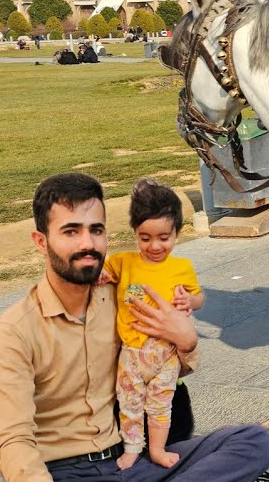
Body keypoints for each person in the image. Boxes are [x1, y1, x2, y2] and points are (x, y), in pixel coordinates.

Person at [0, 173, 269, 482]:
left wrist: (186, 341)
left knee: (252, 442)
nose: (87, 243)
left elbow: (159, 362)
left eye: (96, 230)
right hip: (65, 472)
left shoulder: (124, 298)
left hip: (128, 462)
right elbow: (11, 440)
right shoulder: (14, 332)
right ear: (41, 242)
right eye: (71, 231)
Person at [95, 180, 204, 469]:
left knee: (160, 406)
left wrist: (189, 303)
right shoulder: (123, 262)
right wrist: (102, 276)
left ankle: (156, 449)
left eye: (164, 238)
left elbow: (198, 296)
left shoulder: (181, 268)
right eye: (145, 238)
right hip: (132, 350)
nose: (154, 246)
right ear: (135, 233)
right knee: (129, 403)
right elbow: (101, 272)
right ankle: (132, 447)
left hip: (166, 353)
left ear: (177, 233)